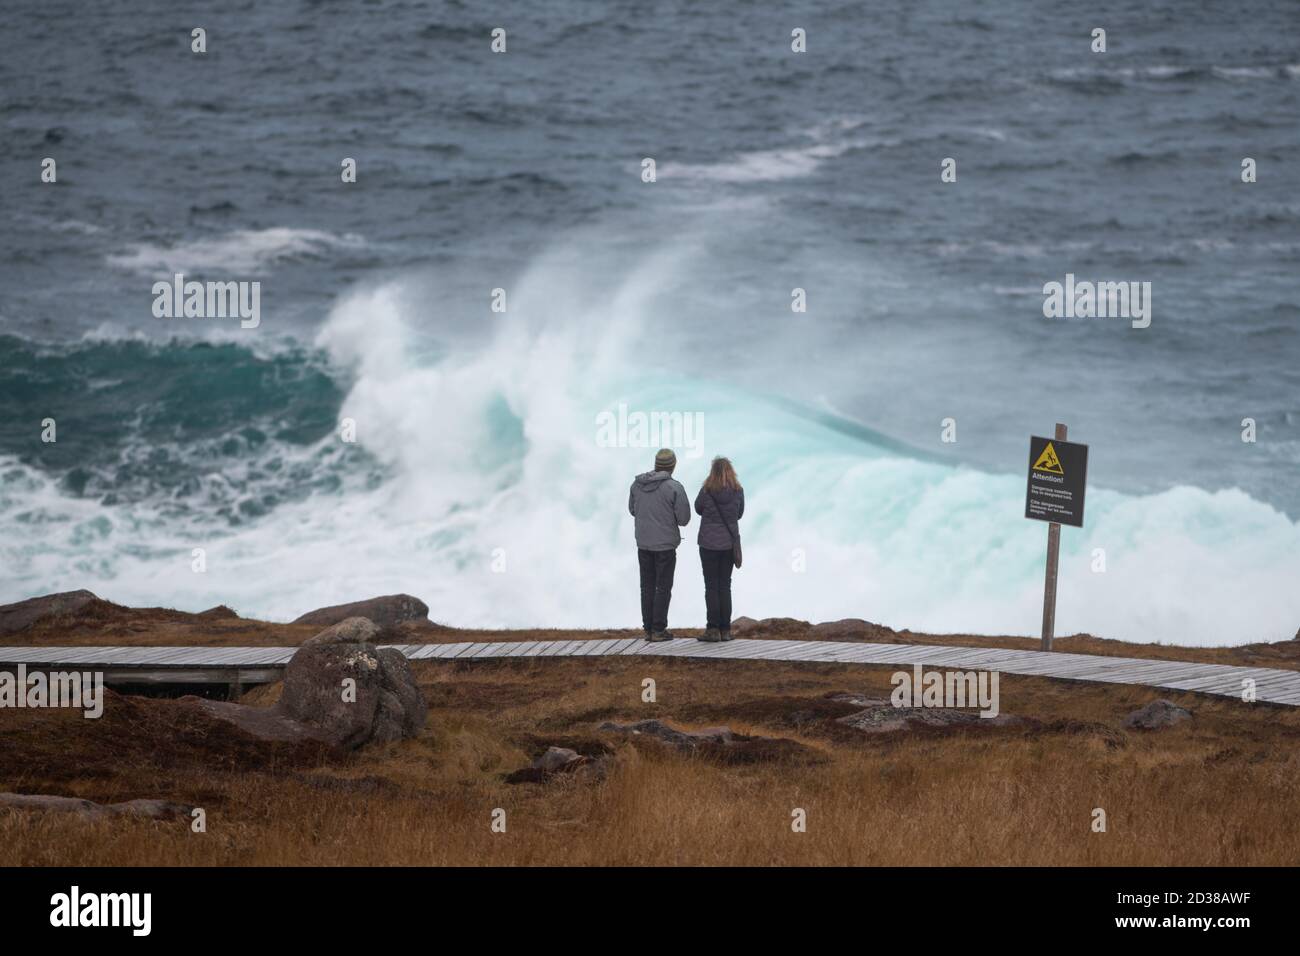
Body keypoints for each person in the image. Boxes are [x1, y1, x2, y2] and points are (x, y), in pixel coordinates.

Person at [628, 448, 690, 641]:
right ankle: (658, 630)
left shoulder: (636, 485)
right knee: (662, 587)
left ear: (656, 464)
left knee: (646, 586)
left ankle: (648, 629)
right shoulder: (674, 487)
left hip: (644, 543)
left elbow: (632, 510)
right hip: (665, 546)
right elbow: (684, 519)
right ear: (673, 465)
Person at [694, 456, 743, 642]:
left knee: (711, 586)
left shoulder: (706, 490)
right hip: (728, 545)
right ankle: (726, 630)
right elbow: (739, 513)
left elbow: (698, 508)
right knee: (725, 585)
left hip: (708, 544)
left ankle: (712, 629)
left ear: (712, 472)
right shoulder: (738, 491)